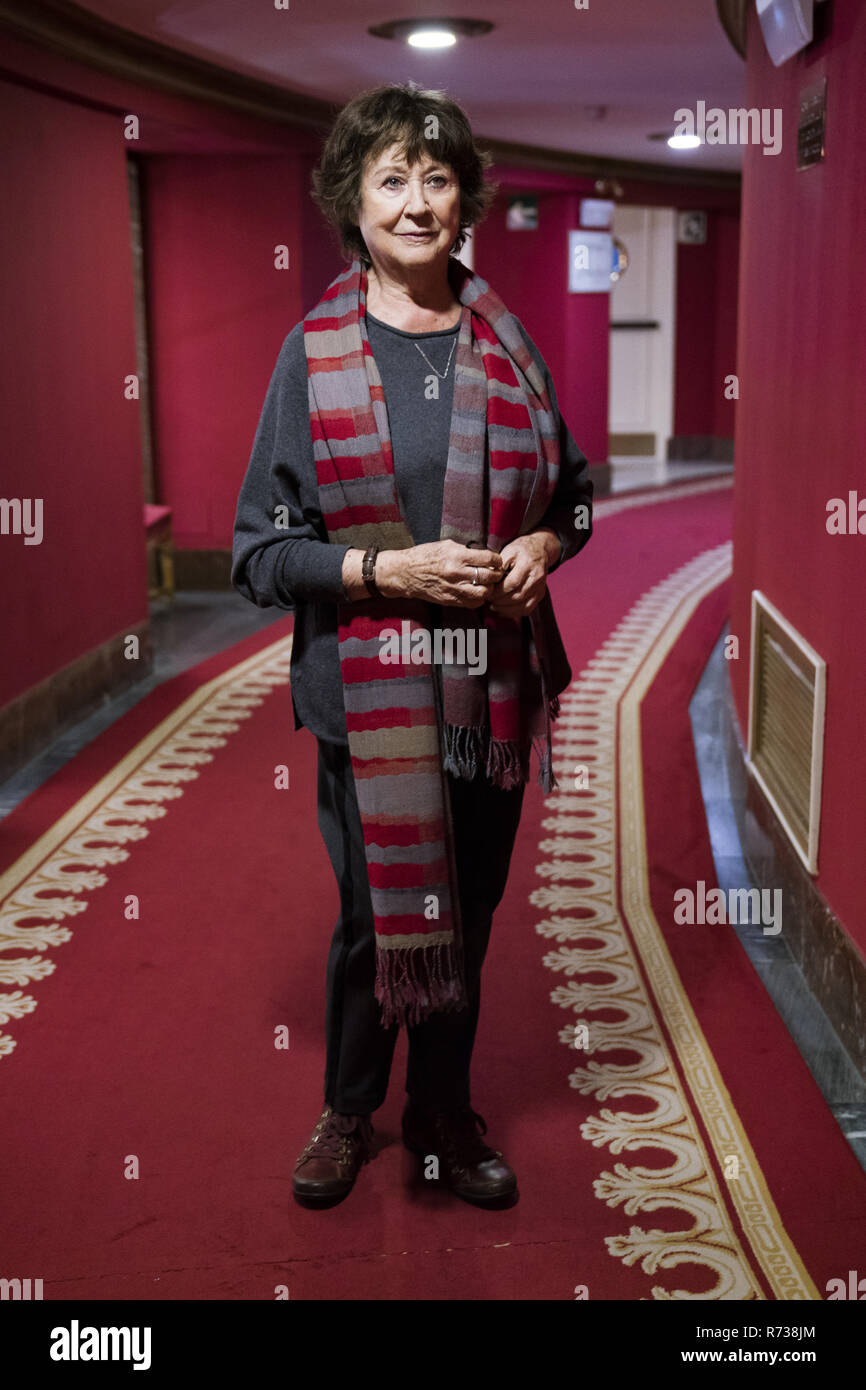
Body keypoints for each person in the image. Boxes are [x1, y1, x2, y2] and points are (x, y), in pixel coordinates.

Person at [231, 82, 593, 1211]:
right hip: (364, 691)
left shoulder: (508, 342)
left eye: (435, 177)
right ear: (354, 200)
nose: (417, 201)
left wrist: (541, 543)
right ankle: (349, 1108)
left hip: (486, 690)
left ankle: (442, 1107)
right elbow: (257, 552)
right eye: (391, 179)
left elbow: (578, 499)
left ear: (463, 196)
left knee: (468, 912)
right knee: (372, 916)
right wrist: (383, 572)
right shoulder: (316, 351)